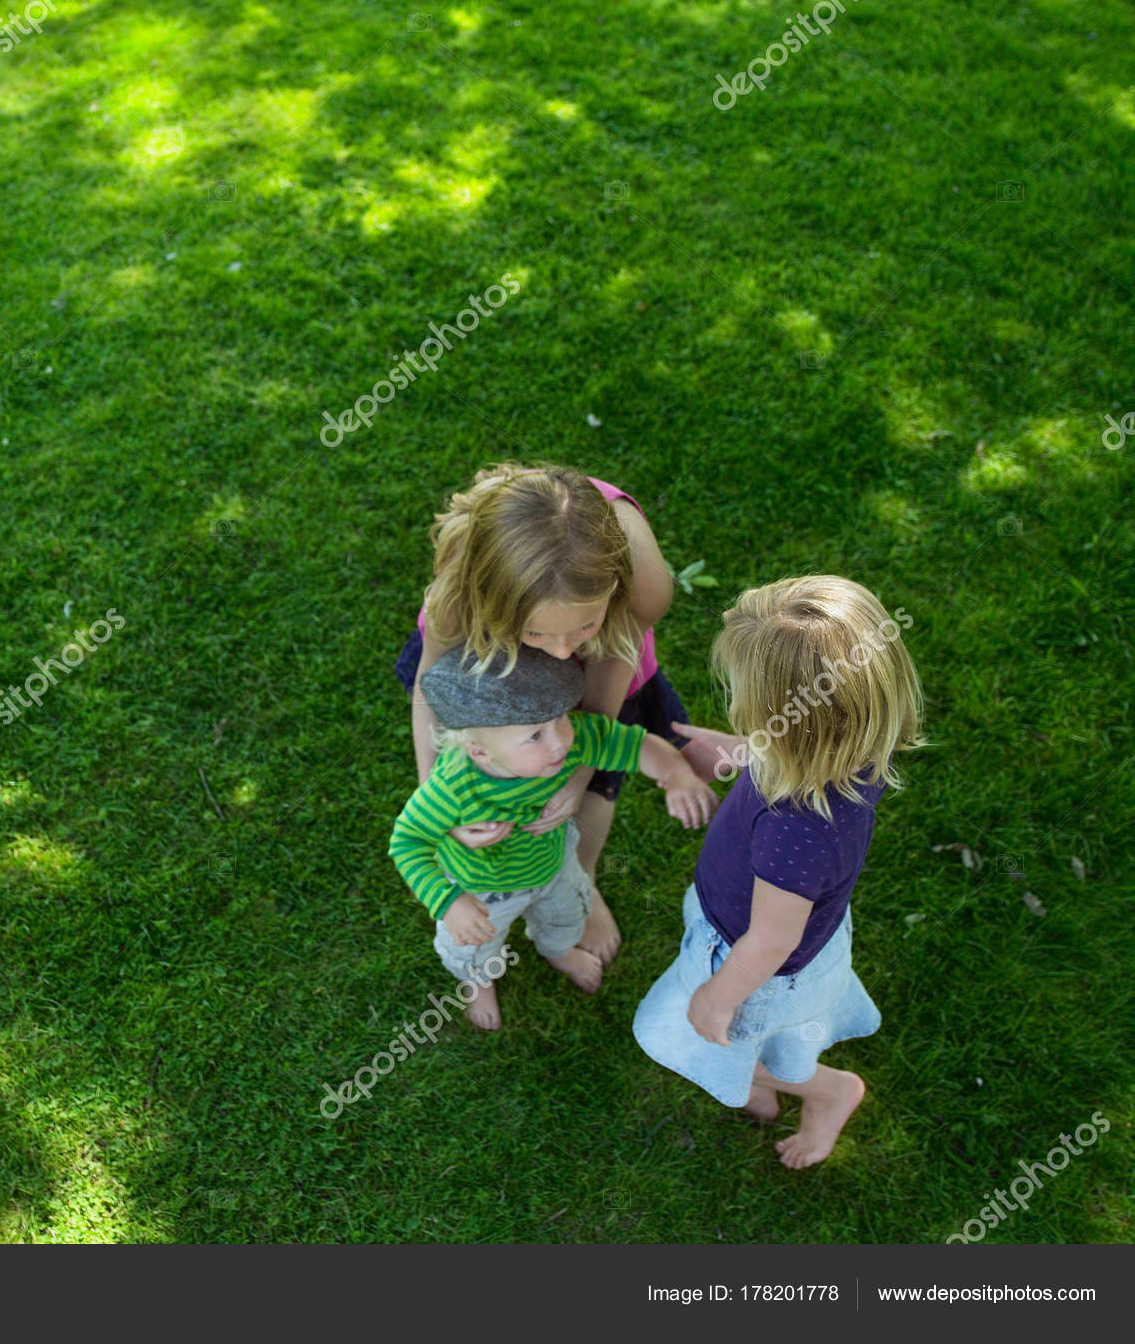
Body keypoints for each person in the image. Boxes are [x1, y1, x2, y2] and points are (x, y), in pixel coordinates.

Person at [633, 576, 923, 1168]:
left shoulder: (799, 829)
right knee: (755, 1042)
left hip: (752, 965)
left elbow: (770, 938)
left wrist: (719, 993)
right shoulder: (851, 748)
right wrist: (741, 752)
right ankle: (763, 1082)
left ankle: (827, 1090)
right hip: (784, 948)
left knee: (706, 1034)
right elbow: (794, 742)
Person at [395, 462, 718, 970]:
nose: (563, 654)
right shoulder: (459, 596)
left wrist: (577, 777)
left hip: (610, 653)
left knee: (596, 786)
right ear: (492, 603)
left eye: (580, 627)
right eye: (539, 635)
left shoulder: (642, 589)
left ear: (612, 593)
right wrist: (437, 794)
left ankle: (580, 878)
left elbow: (600, 710)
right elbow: (431, 696)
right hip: (496, 646)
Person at [390, 643, 703, 1031]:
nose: (559, 741)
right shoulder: (452, 789)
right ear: (480, 752)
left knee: (567, 918)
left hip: (554, 866)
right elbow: (406, 842)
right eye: (535, 736)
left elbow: (635, 745)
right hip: (483, 891)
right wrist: (449, 902)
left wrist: (675, 773)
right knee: (474, 946)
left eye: (561, 718)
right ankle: (478, 980)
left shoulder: (571, 741)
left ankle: (559, 951)